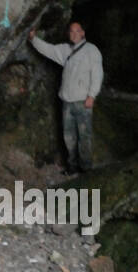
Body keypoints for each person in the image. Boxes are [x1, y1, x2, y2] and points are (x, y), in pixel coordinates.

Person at [28, 20, 103, 174]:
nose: (74, 34)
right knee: (69, 137)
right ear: (69, 34)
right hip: (67, 102)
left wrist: (92, 96)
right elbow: (48, 49)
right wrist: (33, 39)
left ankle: (86, 169)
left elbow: (97, 74)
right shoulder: (65, 50)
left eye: (77, 31)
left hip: (83, 102)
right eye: (71, 31)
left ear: (83, 33)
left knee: (84, 137)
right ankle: (72, 167)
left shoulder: (91, 50)